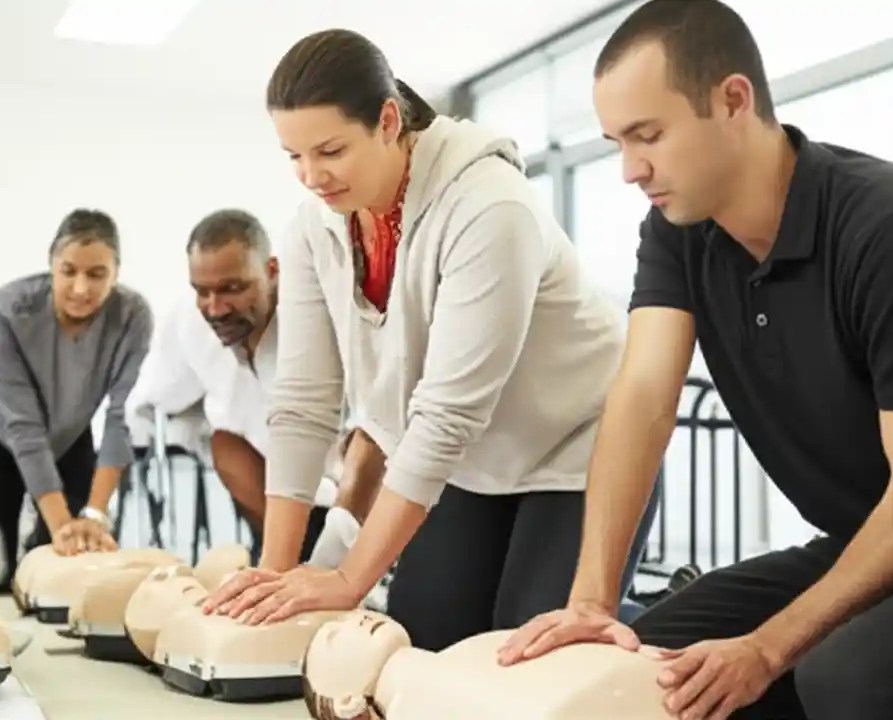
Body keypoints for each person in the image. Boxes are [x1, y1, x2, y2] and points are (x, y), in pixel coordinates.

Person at [496, 2, 893, 719]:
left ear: (733, 100)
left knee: (845, 677)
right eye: (618, 143)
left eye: (648, 135)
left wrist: (769, 648)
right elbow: (643, 396)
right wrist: (591, 602)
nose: (630, 169)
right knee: (651, 664)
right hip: (867, 539)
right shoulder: (678, 230)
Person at [204, 28, 657, 653]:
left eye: (330, 150)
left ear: (389, 121)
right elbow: (305, 399)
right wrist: (275, 573)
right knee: (425, 642)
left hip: (580, 447)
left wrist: (347, 578)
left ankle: (661, 616)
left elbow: (447, 414)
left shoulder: (490, 206)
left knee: (528, 652)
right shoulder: (314, 226)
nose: (310, 176)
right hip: (472, 464)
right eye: (294, 156)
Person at [125, 208, 384, 566]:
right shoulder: (188, 322)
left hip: (352, 491)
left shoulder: (320, 310)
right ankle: (287, 560)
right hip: (276, 498)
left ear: (272, 271)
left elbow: (377, 423)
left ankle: (335, 558)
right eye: (202, 291)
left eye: (232, 289)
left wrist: (341, 543)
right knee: (224, 443)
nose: (215, 308)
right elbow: (151, 399)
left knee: (367, 440)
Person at [0, 209, 152, 593]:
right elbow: (23, 426)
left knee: (69, 565)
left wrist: (95, 515)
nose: (80, 288)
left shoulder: (134, 316)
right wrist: (63, 526)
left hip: (67, 435)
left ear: (116, 272)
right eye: (69, 271)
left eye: (97, 274)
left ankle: (40, 542)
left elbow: (121, 418)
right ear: (51, 265)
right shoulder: (3, 311)